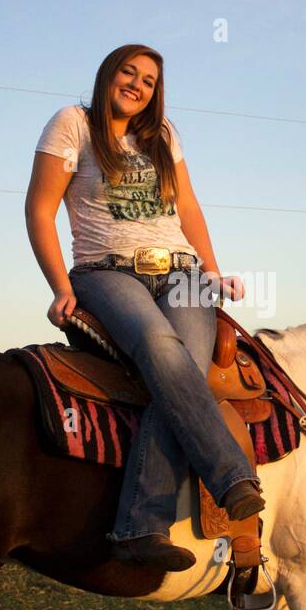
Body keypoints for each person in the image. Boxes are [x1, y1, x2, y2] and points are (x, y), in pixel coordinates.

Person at [24, 43, 264, 571]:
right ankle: (231, 476)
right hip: (107, 270)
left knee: (182, 374)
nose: (138, 84)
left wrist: (211, 268)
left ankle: (140, 528)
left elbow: (190, 207)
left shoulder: (163, 135)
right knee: (161, 347)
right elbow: (39, 209)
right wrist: (60, 286)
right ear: (108, 75)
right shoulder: (72, 124)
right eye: (128, 73)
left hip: (181, 269)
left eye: (150, 80)